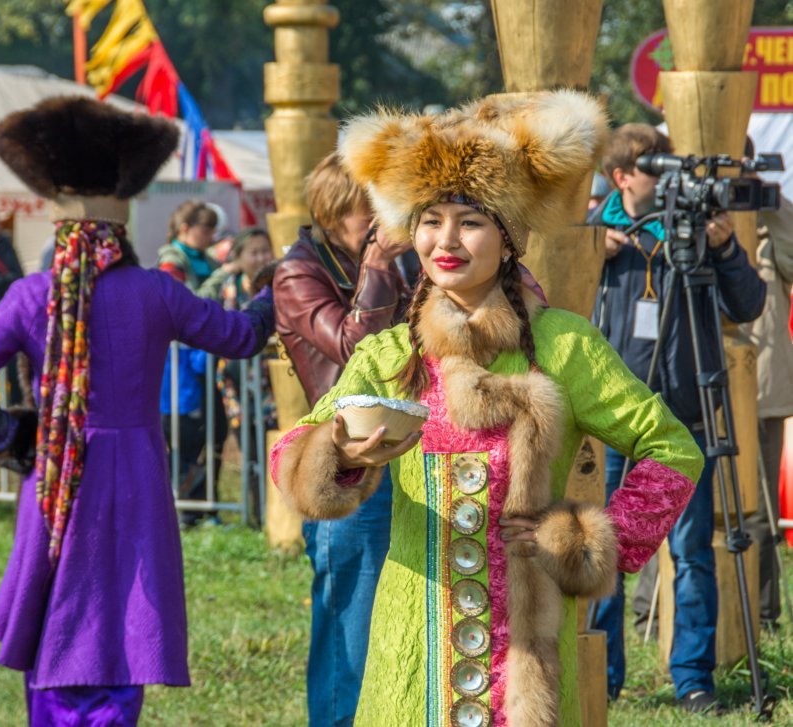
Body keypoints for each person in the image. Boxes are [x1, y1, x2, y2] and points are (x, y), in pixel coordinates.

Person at [271, 90, 704, 727]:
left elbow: (673, 449)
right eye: (430, 219)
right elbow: (294, 449)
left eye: (469, 221)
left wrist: (583, 540)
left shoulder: (563, 345)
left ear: (509, 240)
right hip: (409, 640)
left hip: (522, 652)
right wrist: (336, 452)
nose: (446, 239)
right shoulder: (391, 353)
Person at [0, 97, 274, 725]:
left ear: (60, 224)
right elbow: (242, 337)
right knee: (126, 618)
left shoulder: (29, 293)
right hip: (138, 477)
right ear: (121, 225)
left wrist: (12, 435)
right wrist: (278, 288)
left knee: (57, 613)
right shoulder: (155, 291)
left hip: (58, 476)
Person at [589, 123, 766, 712]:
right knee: (604, 551)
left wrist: (725, 249)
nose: (666, 178)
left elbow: (748, 305)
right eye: (653, 168)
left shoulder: (690, 234)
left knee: (691, 554)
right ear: (623, 178)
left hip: (684, 419)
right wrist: (592, 250)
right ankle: (602, 677)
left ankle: (693, 680)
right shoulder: (596, 237)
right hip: (613, 423)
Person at [273, 151, 410, 727]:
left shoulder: (396, 263)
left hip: (400, 459)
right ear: (336, 210)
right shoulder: (299, 274)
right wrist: (378, 265)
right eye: (370, 210)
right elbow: (357, 351)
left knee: (391, 626)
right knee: (348, 634)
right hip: (343, 472)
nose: (384, 220)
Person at [158, 200, 232, 526]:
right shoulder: (170, 262)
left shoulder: (207, 258)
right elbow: (188, 303)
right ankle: (188, 511)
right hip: (182, 366)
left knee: (216, 430)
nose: (211, 235)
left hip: (206, 360)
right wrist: (223, 275)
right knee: (186, 437)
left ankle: (208, 506)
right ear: (186, 228)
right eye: (206, 228)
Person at [744, 187, 793, 630]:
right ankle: (654, 611)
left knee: (757, 509)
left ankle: (762, 614)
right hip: (698, 386)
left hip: (761, 391)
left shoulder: (770, 226)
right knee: (691, 503)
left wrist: (772, 203)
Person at [217, 227, 277, 525]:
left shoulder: (280, 283)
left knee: (274, 445)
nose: (261, 258)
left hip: (274, 386)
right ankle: (256, 516)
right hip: (237, 383)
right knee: (250, 451)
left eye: (265, 250)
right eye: (253, 253)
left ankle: (278, 516)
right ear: (238, 259)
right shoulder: (229, 288)